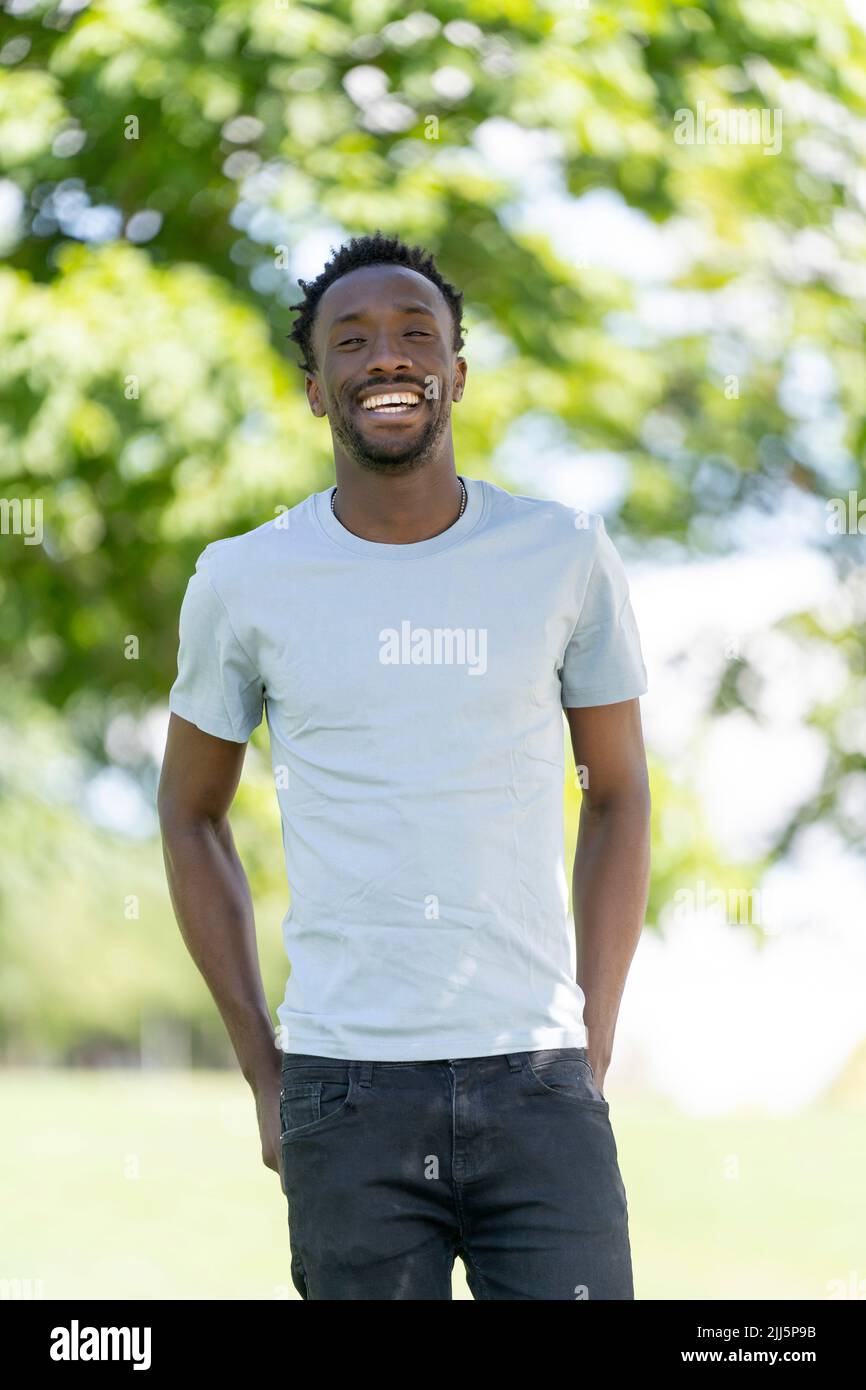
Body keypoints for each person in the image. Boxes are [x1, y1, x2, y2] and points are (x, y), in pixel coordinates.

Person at [157, 231, 651, 1300]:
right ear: (314, 390)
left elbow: (616, 793)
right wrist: (264, 1069)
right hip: (345, 1091)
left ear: (456, 374)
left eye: (414, 333)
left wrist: (590, 1046)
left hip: (539, 1080)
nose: (387, 356)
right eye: (354, 340)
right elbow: (188, 813)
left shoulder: (563, 553)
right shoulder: (243, 579)